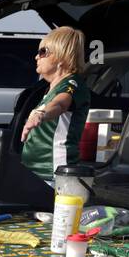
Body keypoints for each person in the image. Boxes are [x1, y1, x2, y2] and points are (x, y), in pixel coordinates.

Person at [20, 27, 90, 182]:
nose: (36, 57)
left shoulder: (72, 84)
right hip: (35, 174)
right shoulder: (50, 88)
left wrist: (41, 114)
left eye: (42, 52)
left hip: (54, 176)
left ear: (60, 56)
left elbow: (60, 104)